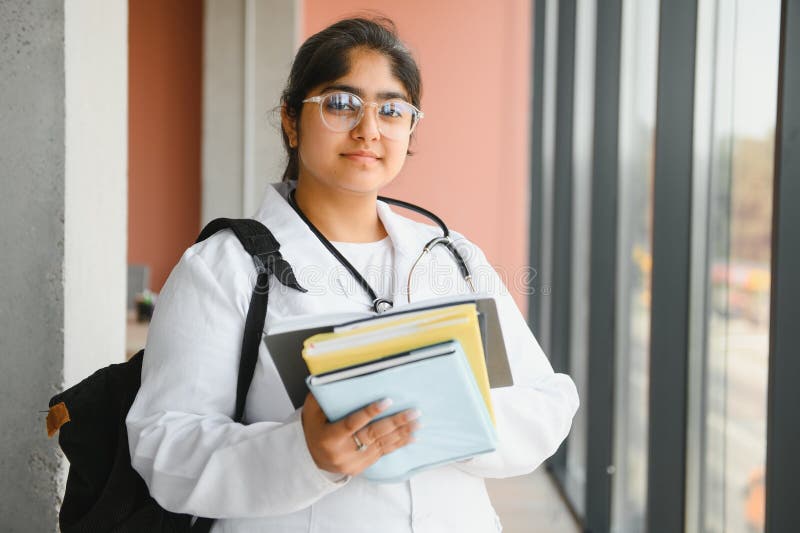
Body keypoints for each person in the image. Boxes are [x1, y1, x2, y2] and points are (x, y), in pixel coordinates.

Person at [126, 17, 579, 533]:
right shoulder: (222, 267)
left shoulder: (451, 256)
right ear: (292, 121)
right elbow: (164, 446)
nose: (369, 129)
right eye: (341, 104)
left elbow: (548, 402)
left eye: (391, 109)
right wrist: (305, 453)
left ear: (410, 129)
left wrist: (453, 413)